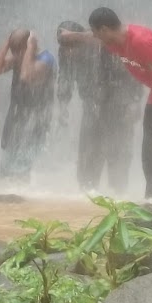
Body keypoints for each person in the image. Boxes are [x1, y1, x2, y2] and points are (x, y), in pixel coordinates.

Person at [58, 8, 152, 201]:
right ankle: (150, 200)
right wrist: (73, 36)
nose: (95, 37)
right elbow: (92, 37)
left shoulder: (141, 42)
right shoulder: (115, 41)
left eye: (96, 32)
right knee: (148, 151)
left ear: (104, 30)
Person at [56, 18, 141, 193]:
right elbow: (65, 78)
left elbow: (131, 70)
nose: (69, 52)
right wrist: (63, 105)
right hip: (91, 107)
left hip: (119, 107)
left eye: (72, 46)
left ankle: (119, 195)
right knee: (88, 157)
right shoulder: (65, 52)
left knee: (119, 155)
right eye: (64, 47)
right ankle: (87, 195)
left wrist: (134, 100)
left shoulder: (102, 46)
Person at [0, 28, 56, 180]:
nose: (17, 55)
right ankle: (6, 191)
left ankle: (23, 191)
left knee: (23, 165)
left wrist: (31, 46)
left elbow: (26, 76)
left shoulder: (46, 58)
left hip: (36, 119)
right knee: (6, 164)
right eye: (15, 51)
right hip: (15, 117)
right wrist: (7, 42)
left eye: (20, 50)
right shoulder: (18, 58)